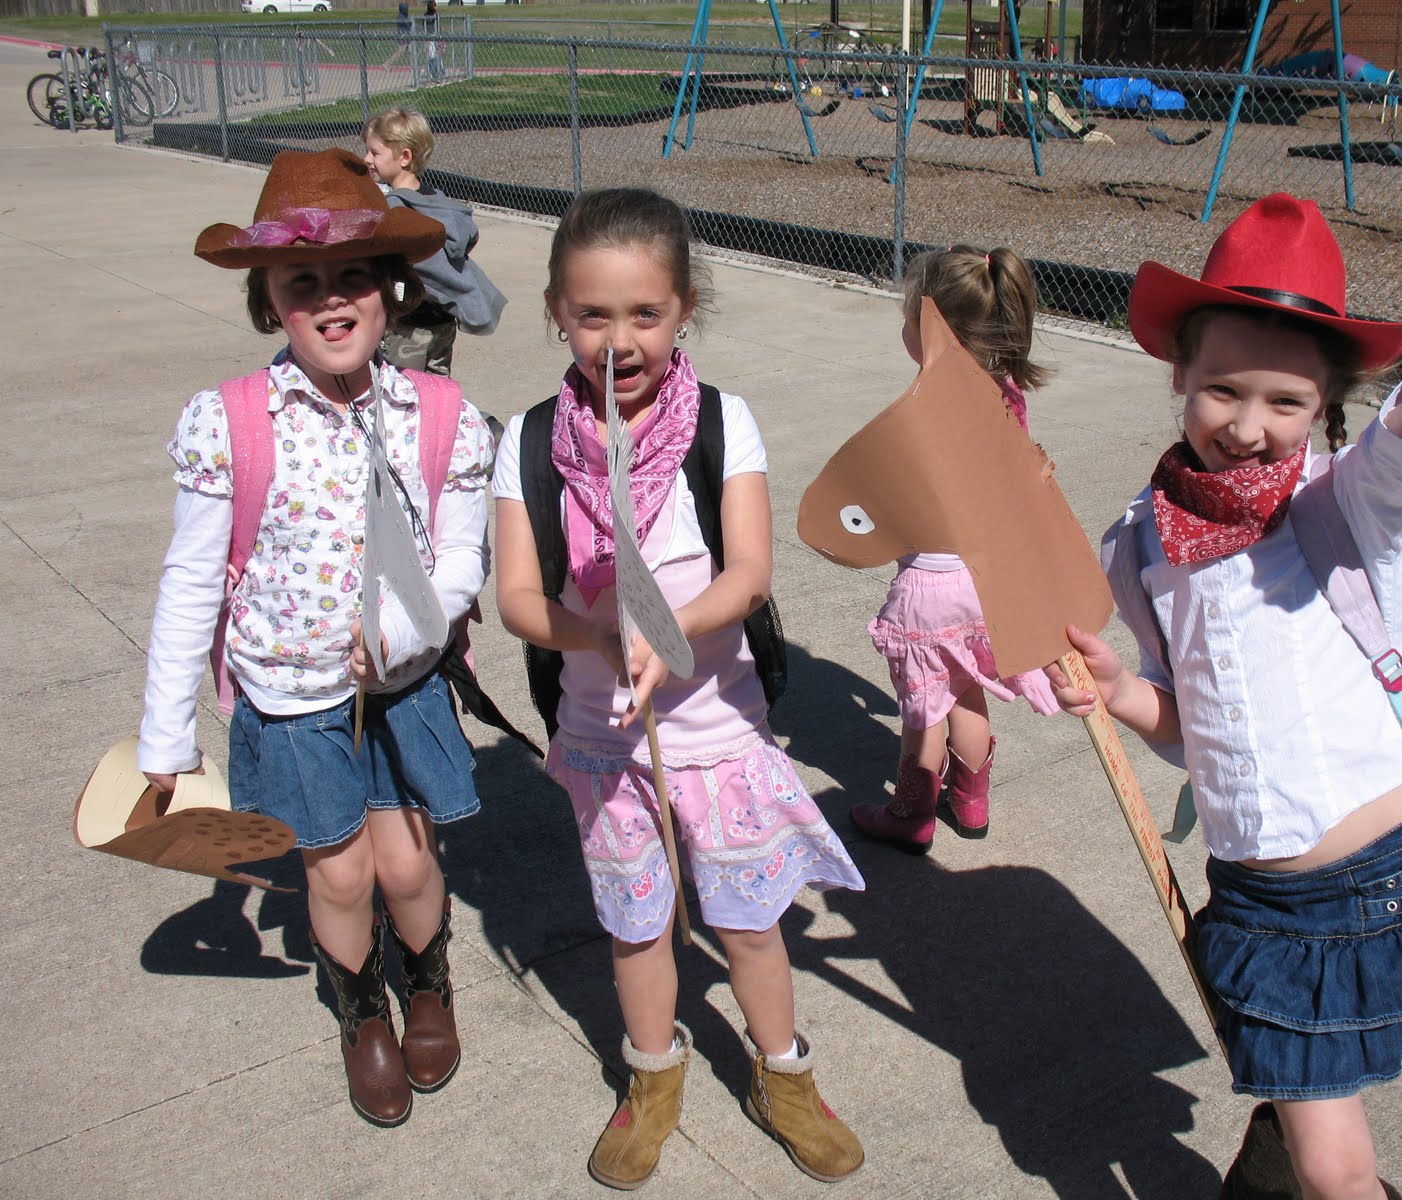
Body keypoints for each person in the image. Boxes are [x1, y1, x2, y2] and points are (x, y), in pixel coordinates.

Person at [1047, 192, 1402, 1200]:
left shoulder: (1345, 505)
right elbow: (1194, 737)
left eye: (1285, 402)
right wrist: (1125, 692)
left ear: (1327, 408)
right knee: (1318, 1129)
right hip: (1260, 899)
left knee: (1334, 1167)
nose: (1248, 427)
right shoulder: (1142, 546)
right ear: (1178, 372)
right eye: (1221, 390)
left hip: (1378, 882)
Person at [493, 186, 866, 1190]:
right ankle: (652, 1075)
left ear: (684, 307)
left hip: (719, 737)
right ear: (556, 312)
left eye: (644, 314)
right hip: (605, 745)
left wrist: (666, 629)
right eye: (592, 315)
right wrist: (598, 631)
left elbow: (748, 573)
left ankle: (783, 1075)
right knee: (637, 924)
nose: (620, 340)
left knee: (748, 924)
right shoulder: (530, 442)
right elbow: (518, 599)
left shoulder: (720, 421)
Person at [138, 147, 497, 1129]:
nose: (332, 303)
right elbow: (189, 584)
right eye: (304, 285)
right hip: (289, 695)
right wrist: (165, 737)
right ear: (270, 303)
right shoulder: (230, 422)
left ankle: (430, 983)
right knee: (337, 873)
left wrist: (401, 628)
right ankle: (362, 1011)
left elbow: (463, 558)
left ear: (388, 292)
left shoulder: (441, 415)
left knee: (411, 864)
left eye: (352, 280)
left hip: (406, 684)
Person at [848, 245, 1059, 853]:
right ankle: (970, 802)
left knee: (923, 708)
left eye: (909, 317)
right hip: (982, 581)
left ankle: (911, 811)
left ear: (931, 330)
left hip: (928, 585)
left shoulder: (921, 411)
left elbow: (892, 496)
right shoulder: (1006, 399)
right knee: (966, 689)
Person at [362, 107, 506, 376]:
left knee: (402, 394)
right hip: (442, 324)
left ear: (404, 157)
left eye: (374, 152)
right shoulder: (438, 202)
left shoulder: (395, 211)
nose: (366, 158)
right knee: (439, 392)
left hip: (407, 328)